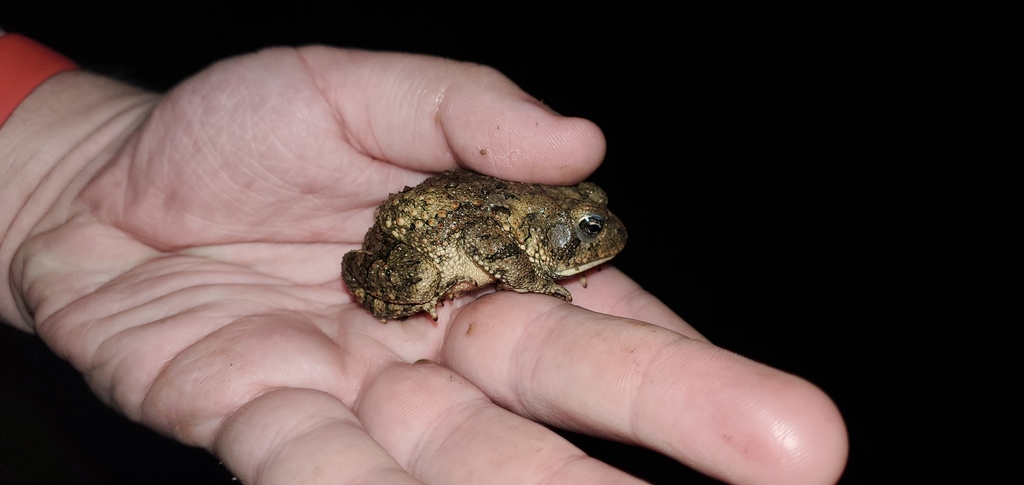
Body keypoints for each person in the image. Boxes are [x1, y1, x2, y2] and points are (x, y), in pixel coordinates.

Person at [0, 32, 848, 484]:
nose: (600, 233)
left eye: (592, 221)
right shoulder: (515, 237)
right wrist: (526, 279)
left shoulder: (535, 215)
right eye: (588, 230)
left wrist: (61, 160)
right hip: (413, 244)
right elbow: (483, 241)